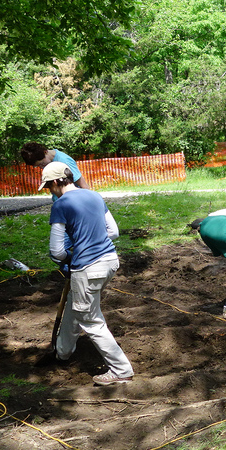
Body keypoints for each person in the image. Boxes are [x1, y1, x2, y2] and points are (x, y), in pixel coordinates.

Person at [41, 161, 134, 386]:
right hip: (110, 261)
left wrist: (70, 257)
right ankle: (62, 352)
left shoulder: (61, 205)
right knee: (77, 304)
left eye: (48, 187)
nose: (49, 191)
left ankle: (121, 370)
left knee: (90, 319)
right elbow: (113, 231)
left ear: (56, 182)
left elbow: (56, 251)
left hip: (87, 268)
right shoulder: (94, 196)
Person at [20, 142, 89, 201]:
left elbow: (84, 187)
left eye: (41, 164)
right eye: (38, 166)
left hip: (72, 202)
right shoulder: (48, 161)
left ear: (45, 152)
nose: (41, 167)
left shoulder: (64, 161)